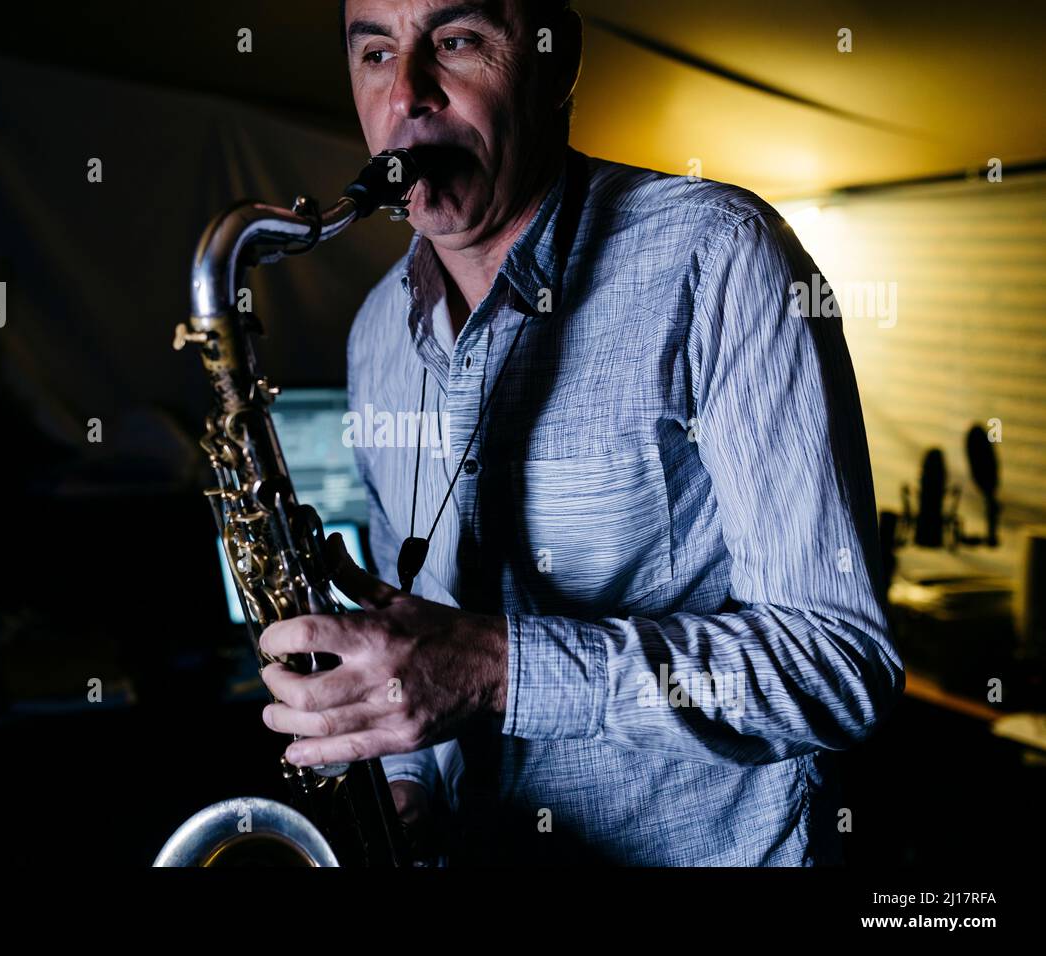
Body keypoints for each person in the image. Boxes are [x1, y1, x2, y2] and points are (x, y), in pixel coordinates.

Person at [257, 0, 905, 865]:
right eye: (375, 52)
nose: (406, 95)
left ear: (557, 68)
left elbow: (839, 662)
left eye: (455, 42)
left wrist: (498, 668)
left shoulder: (718, 257)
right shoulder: (376, 332)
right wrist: (405, 786)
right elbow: (411, 630)